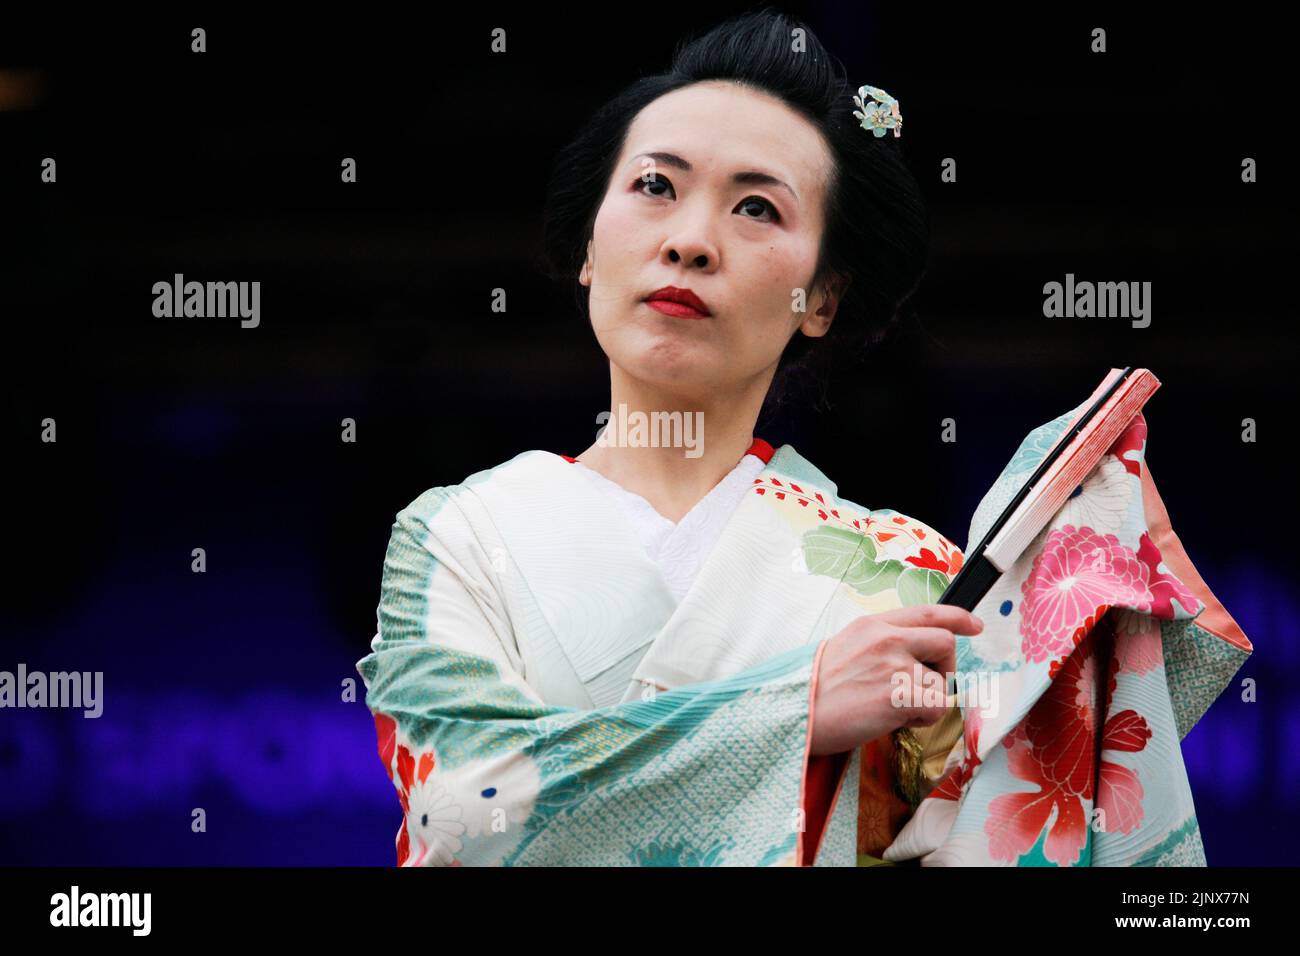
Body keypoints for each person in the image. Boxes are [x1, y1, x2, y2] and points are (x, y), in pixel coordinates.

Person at [356, 8, 977, 867]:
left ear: (823, 299)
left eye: (757, 207)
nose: (689, 241)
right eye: (655, 185)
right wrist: (797, 708)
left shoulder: (918, 581)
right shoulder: (460, 535)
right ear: (587, 246)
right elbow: (463, 812)